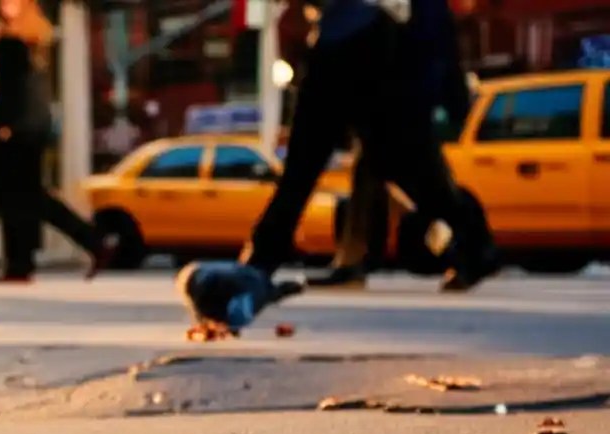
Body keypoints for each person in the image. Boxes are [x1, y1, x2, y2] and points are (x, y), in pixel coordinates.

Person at [182, 0, 498, 330]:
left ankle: (475, 243)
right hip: (353, 40)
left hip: (368, 42)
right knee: (320, 160)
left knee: (381, 161)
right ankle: (261, 262)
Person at [310, 0, 473, 289]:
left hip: (408, 98)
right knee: (370, 175)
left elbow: (439, 45)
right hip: (387, 95)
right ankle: (352, 261)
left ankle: (471, 249)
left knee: (425, 184)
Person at [0, 0, 113, 284]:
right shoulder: (36, 40)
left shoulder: (12, 42)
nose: (6, 5)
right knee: (30, 198)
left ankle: (23, 263)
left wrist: (2, 125)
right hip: (34, 127)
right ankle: (28, 261)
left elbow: (7, 91)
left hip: (18, 128)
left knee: (19, 198)